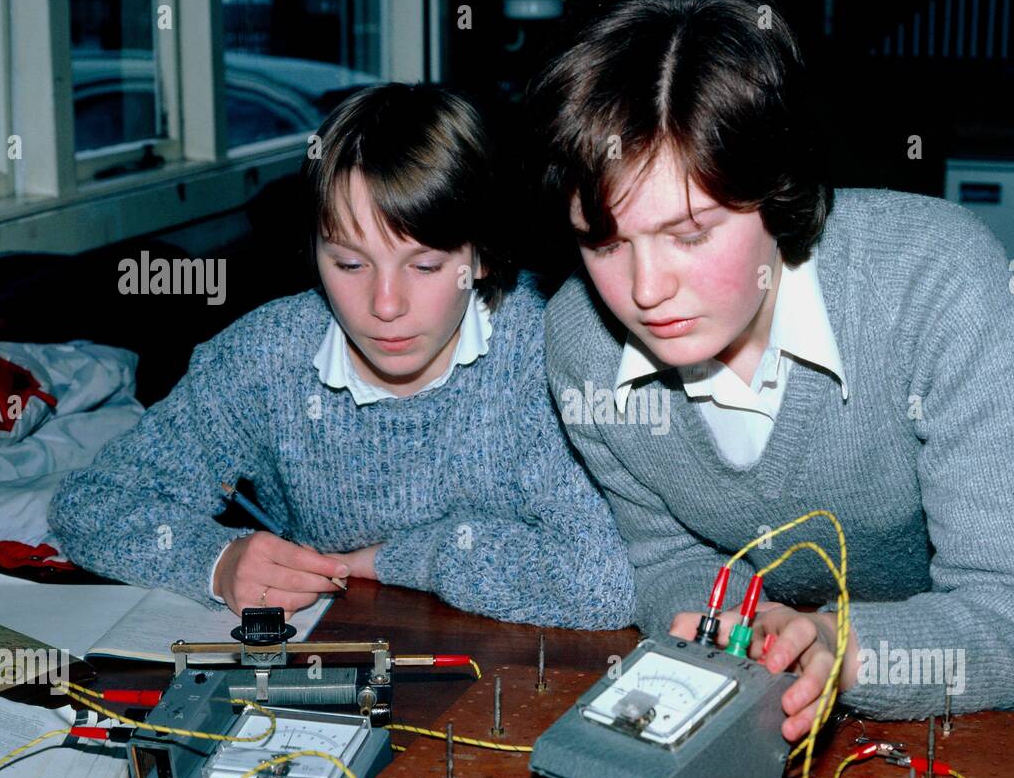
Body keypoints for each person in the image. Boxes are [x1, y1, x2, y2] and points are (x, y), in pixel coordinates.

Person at [530, 0, 1014, 733]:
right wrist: (748, 641)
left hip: (952, 709)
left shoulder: (936, 280)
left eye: (690, 233)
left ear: (778, 189)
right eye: (603, 242)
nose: (645, 290)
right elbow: (667, 562)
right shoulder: (580, 342)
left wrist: (842, 651)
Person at [49, 83, 635, 629]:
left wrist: (410, 558)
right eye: (350, 264)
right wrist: (218, 560)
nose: (384, 305)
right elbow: (89, 505)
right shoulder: (267, 356)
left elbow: (606, 579)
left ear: (482, 256)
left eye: (425, 265)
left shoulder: (552, 351)